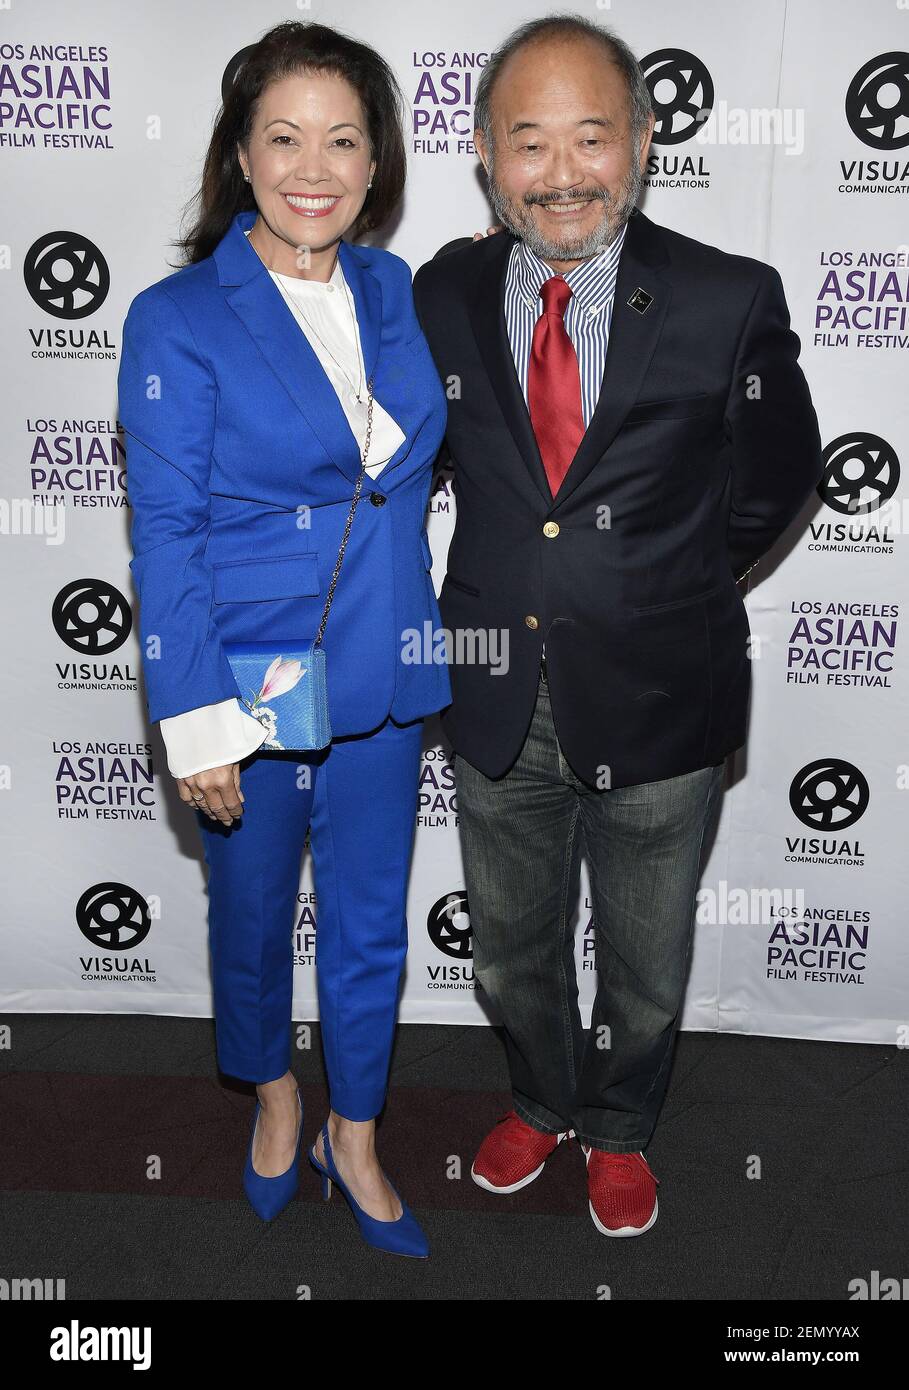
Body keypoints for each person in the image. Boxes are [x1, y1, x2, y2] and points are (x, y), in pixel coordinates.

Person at [413, 14, 825, 1236]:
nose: (562, 173)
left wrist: (668, 587)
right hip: (493, 691)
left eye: (592, 136)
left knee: (644, 971)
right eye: (528, 143)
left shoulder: (724, 298)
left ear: (641, 142)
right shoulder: (443, 290)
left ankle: (624, 1125)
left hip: (663, 697)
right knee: (507, 957)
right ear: (487, 157)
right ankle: (543, 1101)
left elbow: (778, 477)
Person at [118, 20, 449, 1256]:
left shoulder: (395, 290)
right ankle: (273, 1098)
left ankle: (354, 1133)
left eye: (345, 140)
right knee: (252, 923)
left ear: (378, 162)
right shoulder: (178, 317)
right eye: (285, 137)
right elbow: (166, 530)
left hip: (386, 673)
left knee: (371, 924)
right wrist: (192, 715)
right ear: (241, 155)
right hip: (247, 692)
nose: (315, 166)